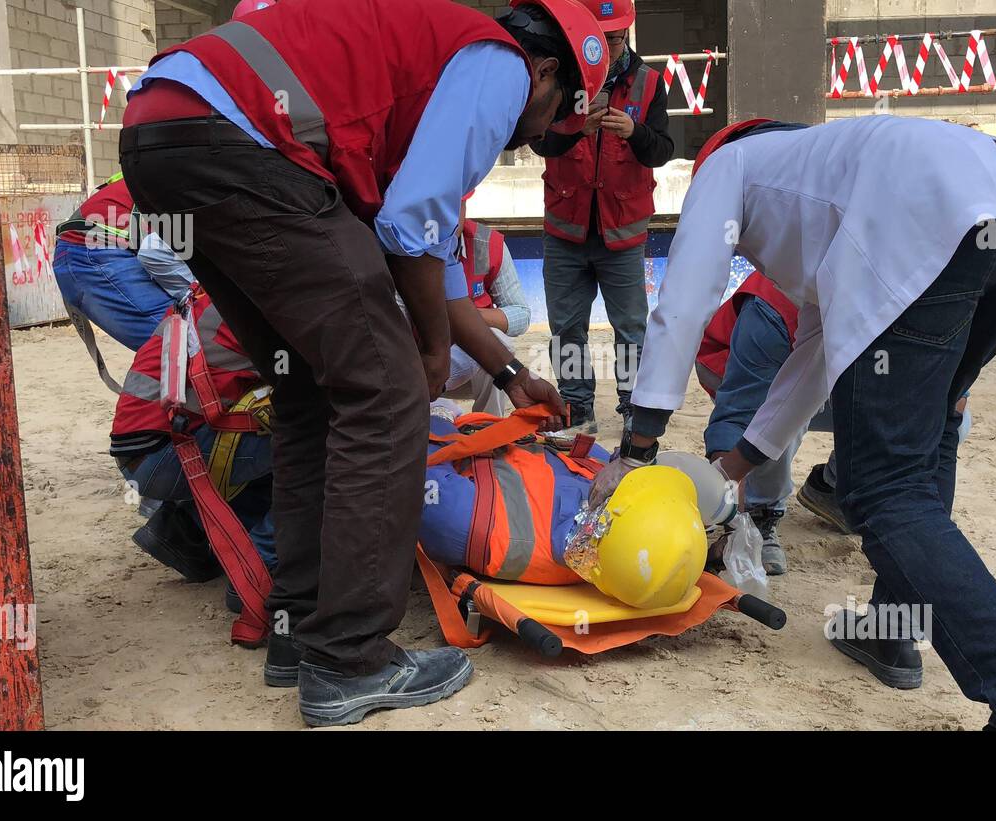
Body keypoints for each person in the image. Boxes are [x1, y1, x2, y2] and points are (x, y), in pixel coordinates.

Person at [118, 0, 605, 727]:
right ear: (544, 72)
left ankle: (299, 629)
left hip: (166, 131)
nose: (532, 140)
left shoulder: (413, 72)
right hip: (238, 140)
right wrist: (429, 357)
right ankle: (348, 661)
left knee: (311, 390)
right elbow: (414, 223)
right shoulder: (498, 61)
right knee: (384, 397)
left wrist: (501, 371)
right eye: (550, 119)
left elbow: (422, 240)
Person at [590, 115, 996, 731]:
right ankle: (893, 629)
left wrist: (638, 448)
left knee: (884, 488)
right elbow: (815, 359)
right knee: (936, 428)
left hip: (935, 213)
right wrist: (734, 468)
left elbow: (686, 299)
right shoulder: (829, 184)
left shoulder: (728, 163)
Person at [696, 271, 975, 570]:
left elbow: (948, 406)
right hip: (742, 368)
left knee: (944, 417)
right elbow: (738, 417)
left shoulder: (917, 297)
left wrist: (926, 530)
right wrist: (734, 524)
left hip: (839, 367)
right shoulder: (773, 307)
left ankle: (832, 486)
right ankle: (761, 512)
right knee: (782, 416)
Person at [532, 0, 673, 433]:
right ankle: (577, 408)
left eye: (615, 38)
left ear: (627, 33)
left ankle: (634, 408)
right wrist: (574, 128)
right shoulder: (562, 77)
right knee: (566, 326)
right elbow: (538, 141)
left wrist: (637, 134)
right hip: (566, 229)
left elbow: (663, 150)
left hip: (622, 231)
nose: (610, 47)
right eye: (603, 38)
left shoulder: (649, 83)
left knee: (631, 327)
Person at [111, 284, 275, 584]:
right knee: (330, 436)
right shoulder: (270, 299)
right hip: (165, 450)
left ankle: (188, 533)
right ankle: (264, 569)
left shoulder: (218, 285)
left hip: (143, 449)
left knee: (272, 412)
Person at [52, 173, 196, 390]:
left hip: (89, 251)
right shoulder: (208, 191)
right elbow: (154, 252)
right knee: (189, 349)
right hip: (94, 255)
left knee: (187, 350)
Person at [443, 193, 532, 416]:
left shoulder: (485, 243)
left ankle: (488, 430)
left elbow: (521, 315)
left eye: (454, 205)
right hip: (414, 366)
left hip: (463, 364)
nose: (445, 215)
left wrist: (465, 317)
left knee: (497, 342)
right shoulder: (400, 244)